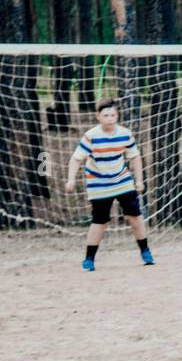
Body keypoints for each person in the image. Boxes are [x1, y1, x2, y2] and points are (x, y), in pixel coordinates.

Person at [65, 99, 154, 270]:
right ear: (98, 116)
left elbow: (134, 156)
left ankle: (145, 251)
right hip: (98, 183)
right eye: (105, 115)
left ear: (117, 116)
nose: (110, 118)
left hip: (122, 180)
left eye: (113, 115)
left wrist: (139, 180)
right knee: (100, 220)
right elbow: (76, 159)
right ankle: (89, 259)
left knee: (135, 215)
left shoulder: (125, 133)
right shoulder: (91, 136)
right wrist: (71, 179)